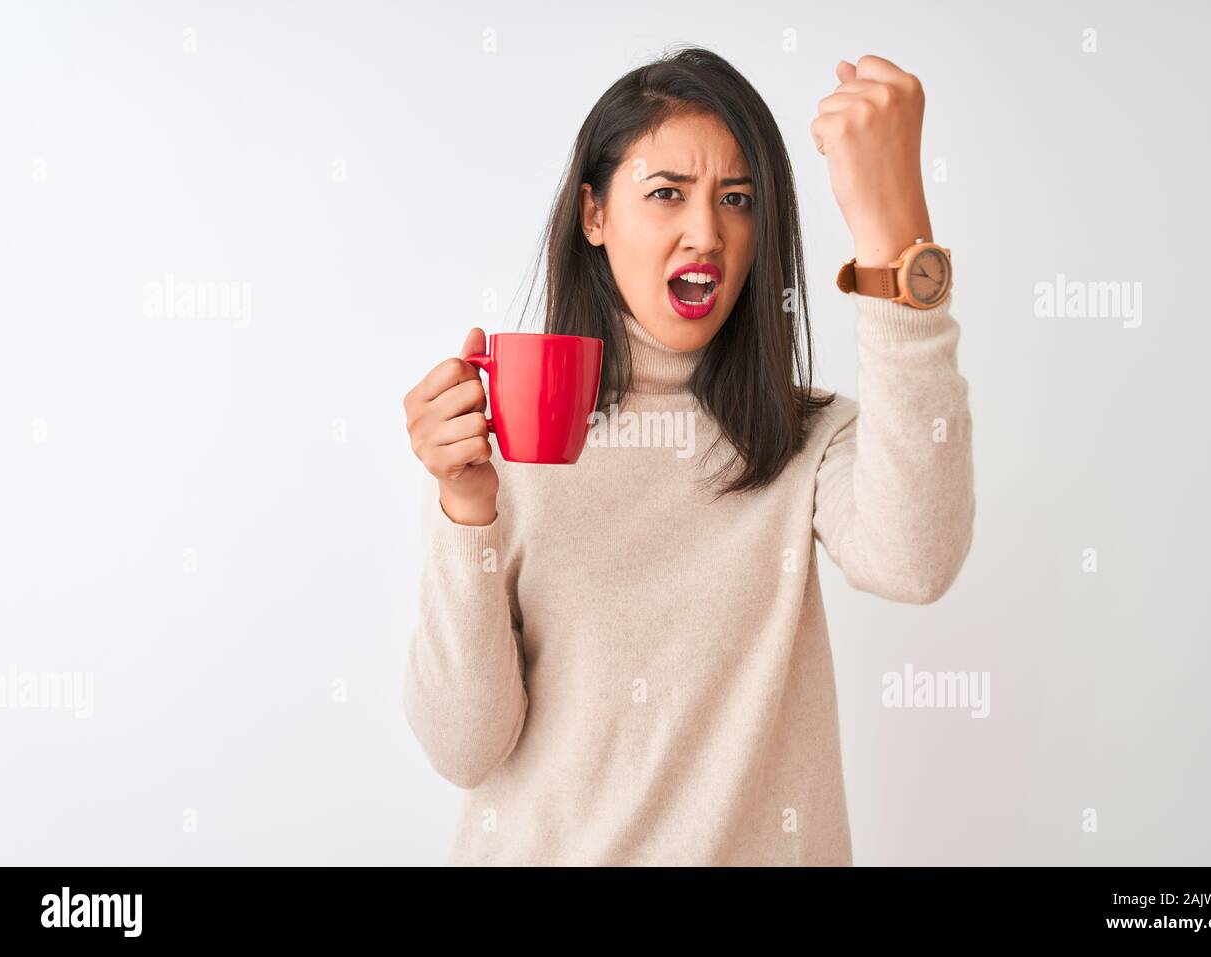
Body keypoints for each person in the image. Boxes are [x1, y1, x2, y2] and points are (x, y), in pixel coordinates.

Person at [400, 45, 975, 866]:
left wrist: (898, 242)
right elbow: (464, 746)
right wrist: (465, 509)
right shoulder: (506, 443)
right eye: (666, 193)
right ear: (593, 215)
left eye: (736, 200)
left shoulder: (806, 441)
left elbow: (918, 561)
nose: (705, 233)